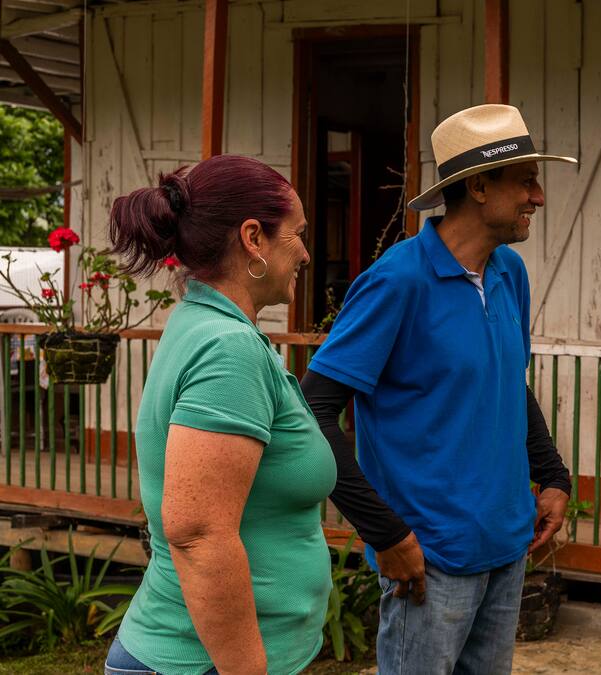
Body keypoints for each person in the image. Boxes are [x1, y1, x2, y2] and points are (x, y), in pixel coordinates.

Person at [300, 103, 575, 674]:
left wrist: (551, 475)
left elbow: (506, 380)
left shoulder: (509, 273)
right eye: (526, 181)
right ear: (479, 186)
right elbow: (315, 410)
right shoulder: (397, 281)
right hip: (431, 558)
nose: (538, 197)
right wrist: (386, 534)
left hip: (508, 545)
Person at [105, 155, 333, 675]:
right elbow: (199, 534)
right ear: (253, 238)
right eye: (297, 234)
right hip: (202, 662)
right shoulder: (228, 348)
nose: (305, 253)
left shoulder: (204, 322)